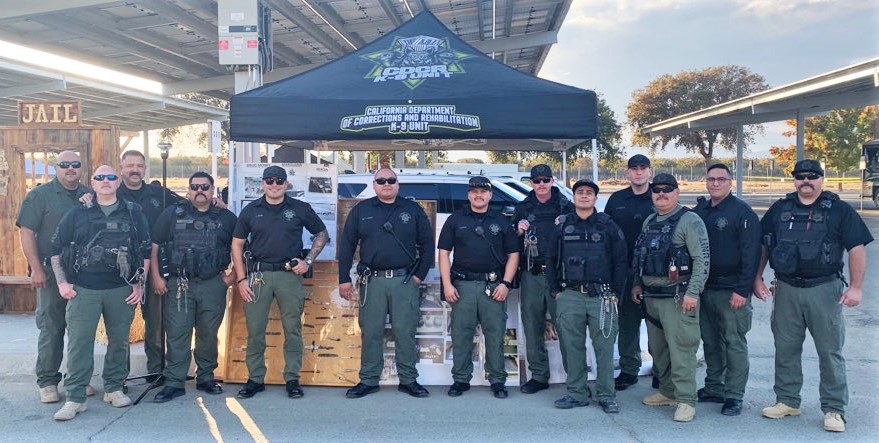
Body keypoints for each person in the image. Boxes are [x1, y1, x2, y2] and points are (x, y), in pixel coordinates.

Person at [754, 159, 872, 433]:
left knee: (830, 352)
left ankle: (834, 409)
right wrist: (756, 278)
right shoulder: (779, 209)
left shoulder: (840, 210)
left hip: (824, 289)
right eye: (800, 176)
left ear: (822, 179)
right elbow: (763, 245)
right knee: (785, 349)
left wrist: (855, 287)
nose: (806, 181)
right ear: (794, 179)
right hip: (785, 289)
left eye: (812, 176)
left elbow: (856, 248)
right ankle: (787, 401)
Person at [49, 165, 151, 421]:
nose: (105, 181)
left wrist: (139, 284)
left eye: (111, 177)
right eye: (100, 178)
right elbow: (55, 249)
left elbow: (146, 251)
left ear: (118, 183)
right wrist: (62, 283)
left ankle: (114, 388)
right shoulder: (77, 213)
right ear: (92, 184)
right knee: (78, 344)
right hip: (83, 289)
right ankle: (75, 398)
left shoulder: (133, 213)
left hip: (120, 289)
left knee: (119, 342)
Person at [230, 166, 329, 399]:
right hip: (258, 276)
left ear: (286, 184)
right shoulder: (251, 210)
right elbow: (236, 244)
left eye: (279, 181)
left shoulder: (299, 208)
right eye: (269, 181)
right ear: (262, 183)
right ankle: (255, 379)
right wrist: (242, 278)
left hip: (289, 276)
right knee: (255, 330)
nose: (274, 185)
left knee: (292, 329)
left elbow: (322, 234)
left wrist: (308, 261)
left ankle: (292, 379)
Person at [339, 168, 435, 399]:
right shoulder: (361, 210)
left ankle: (408, 380)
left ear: (398, 184)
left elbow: (428, 244)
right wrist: (343, 278)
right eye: (381, 181)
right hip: (372, 282)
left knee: (405, 331)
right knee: (371, 332)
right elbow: (347, 245)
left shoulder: (412, 210)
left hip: (404, 281)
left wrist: (418, 277)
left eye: (391, 180)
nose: (386, 184)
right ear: (374, 185)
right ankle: (369, 380)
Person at [149, 172, 238, 402]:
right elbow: (155, 246)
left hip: (212, 284)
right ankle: (174, 382)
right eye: (195, 187)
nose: (200, 191)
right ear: (188, 190)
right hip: (179, 284)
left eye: (205, 187)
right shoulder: (171, 214)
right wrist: (157, 277)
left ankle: (206, 377)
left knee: (208, 333)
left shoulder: (226, 218)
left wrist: (232, 278)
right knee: (178, 333)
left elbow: (239, 248)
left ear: (212, 190)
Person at [16, 151, 94, 404]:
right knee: (52, 326)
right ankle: (48, 381)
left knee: (80, 329)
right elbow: (27, 232)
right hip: (51, 272)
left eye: (75, 164)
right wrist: (36, 268)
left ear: (82, 168)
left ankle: (77, 378)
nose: (70, 168)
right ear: (55, 168)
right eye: (64, 165)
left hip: (83, 273)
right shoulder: (40, 196)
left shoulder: (89, 194)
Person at [631, 173, 710, 422]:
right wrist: (636, 284)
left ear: (677, 192)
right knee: (658, 350)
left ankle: (687, 400)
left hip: (678, 297)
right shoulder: (649, 221)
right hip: (651, 296)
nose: (661, 194)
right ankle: (668, 391)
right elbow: (641, 256)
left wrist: (693, 292)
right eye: (657, 190)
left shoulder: (690, 220)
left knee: (682, 350)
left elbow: (702, 259)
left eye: (667, 189)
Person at [547, 179, 628, 413]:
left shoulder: (608, 226)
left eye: (589, 193)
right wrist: (556, 291)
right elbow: (551, 260)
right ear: (573, 197)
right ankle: (577, 392)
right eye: (580, 192)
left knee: (604, 348)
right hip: (570, 295)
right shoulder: (562, 226)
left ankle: (606, 395)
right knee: (572, 347)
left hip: (602, 296)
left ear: (595, 198)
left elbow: (621, 261)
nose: (584, 196)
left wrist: (616, 293)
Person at [438, 176, 519, 399]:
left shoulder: (501, 221)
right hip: (462, 286)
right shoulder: (456, 219)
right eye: (474, 191)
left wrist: (506, 283)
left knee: (495, 335)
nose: (479, 195)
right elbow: (444, 253)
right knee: (461, 335)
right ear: (468, 195)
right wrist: (446, 284)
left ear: (490, 195)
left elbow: (514, 255)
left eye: (483, 192)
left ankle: (497, 380)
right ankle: (461, 379)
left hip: (493, 287)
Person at [692, 164, 761, 416]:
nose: (715, 183)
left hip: (732, 289)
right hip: (705, 288)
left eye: (721, 179)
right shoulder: (700, 210)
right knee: (710, 341)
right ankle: (714, 387)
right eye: (711, 179)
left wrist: (743, 290)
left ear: (730, 182)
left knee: (734, 342)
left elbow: (751, 254)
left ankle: (734, 395)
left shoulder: (741, 212)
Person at [116, 150, 184, 383]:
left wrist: (214, 200)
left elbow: (190, 204)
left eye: (139, 165)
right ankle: (118, 377)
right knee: (120, 328)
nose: (135, 170)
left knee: (155, 325)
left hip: (153, 266)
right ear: (121, 168)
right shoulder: (111, 194)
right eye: (130, 165)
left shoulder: (160, 194)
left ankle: (155, 371)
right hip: (121, 271)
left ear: (145, 169)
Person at [513, 164, 574, 394]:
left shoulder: (566, 206)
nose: (541, 184)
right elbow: (511, 245)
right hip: (532, 273)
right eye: (536, 180)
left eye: (545, 180)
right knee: (532, 325)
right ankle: (538, 375)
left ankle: (574, 376)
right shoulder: (523, 208)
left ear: (552, 181)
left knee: (566, 325)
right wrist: (518, 232)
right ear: (531, 182)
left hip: (559, 275)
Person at [604, 154, 655, 391]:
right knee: (628, 324)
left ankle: (662, 370)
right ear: (628, 173)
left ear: (649, 171)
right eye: (634, 168)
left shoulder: (659, 195)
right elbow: (607, 234)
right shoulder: (616, 199)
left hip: (655, 270)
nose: (638, 172)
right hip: (625, 270)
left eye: (642, 168)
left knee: (658, 323)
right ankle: (628, 369)